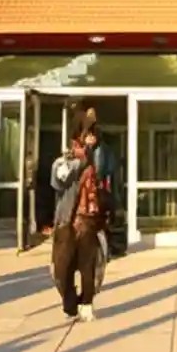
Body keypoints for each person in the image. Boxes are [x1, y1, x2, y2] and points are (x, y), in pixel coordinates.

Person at [51, 107, 111, 321]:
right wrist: (81, 157)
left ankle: (86, 303)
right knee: (62, 268)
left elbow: (105, 173)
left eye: (92, 133)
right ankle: (69, 304)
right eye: (86, 134)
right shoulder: (65, 159)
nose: (90, 138)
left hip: (88, 217)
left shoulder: (99, 156)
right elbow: (59, 181)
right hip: (67, 219)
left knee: (88, 265)